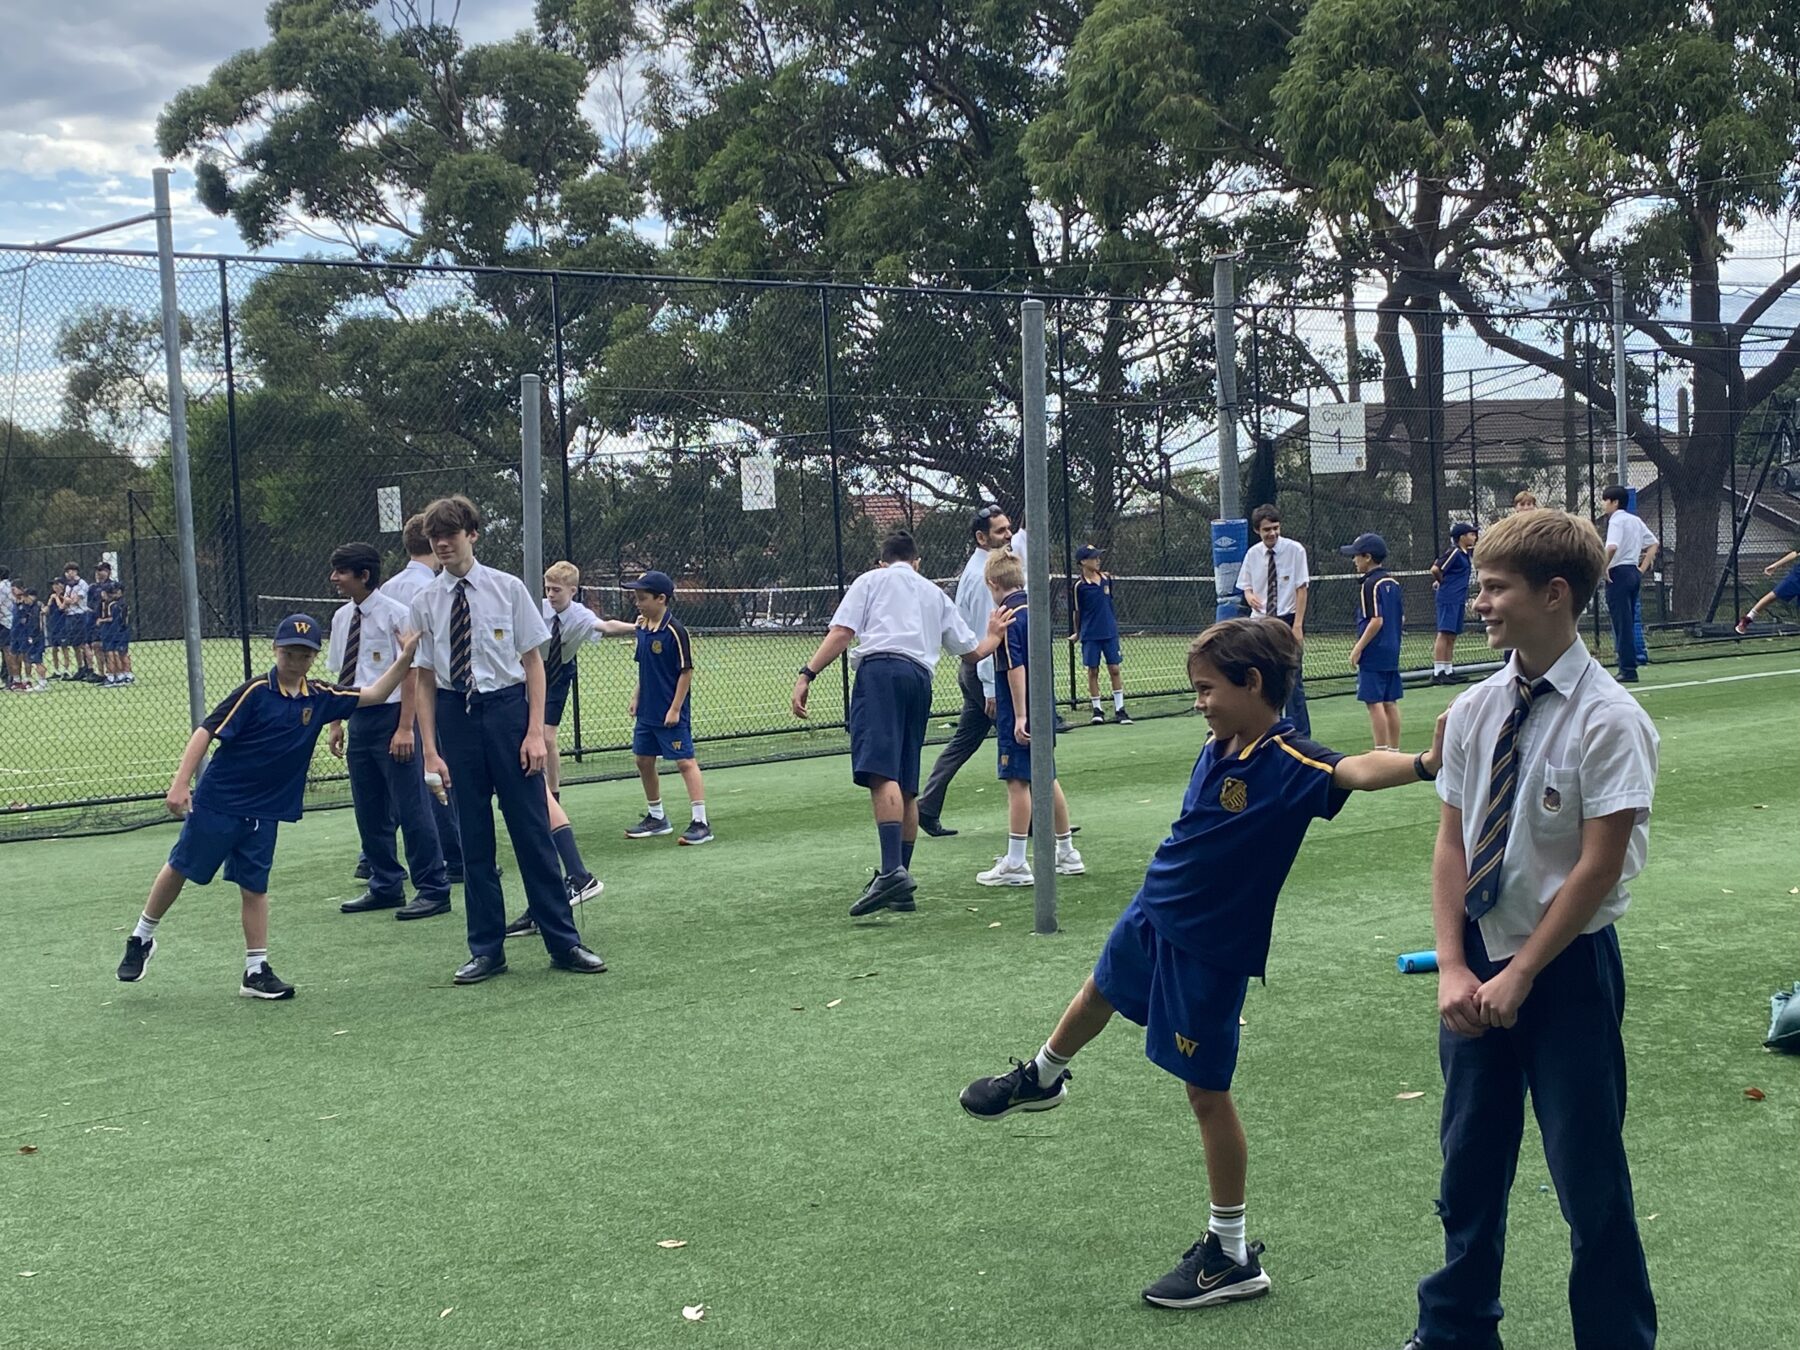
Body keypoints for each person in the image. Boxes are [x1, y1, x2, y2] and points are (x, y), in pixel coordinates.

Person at [960, 618, 1445, 1310]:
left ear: (1252, 684)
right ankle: (1042, 1075)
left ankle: (1232, 1254)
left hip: (1209, 950)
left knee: (1206, 1094)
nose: (1200, 702)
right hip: (1154, 911)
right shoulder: (1221, 742)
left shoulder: (1286, 759)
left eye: (1207, 689)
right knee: (1099, 989)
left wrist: (1425, 764)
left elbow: (1355, 770)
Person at [1401, 509, 1658, 1350]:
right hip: (1474, 963)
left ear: (1555, 595)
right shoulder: (1475, 708)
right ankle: (1456, 1330)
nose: (1480, 602)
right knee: (1468, 1166)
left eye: (1496, 588)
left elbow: (1597, 867)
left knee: (1590, 1178)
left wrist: (1522, 975)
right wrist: (1452, 965)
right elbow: (1452, 842)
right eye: (1479, 588)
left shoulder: (1610, 720)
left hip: (1566, 971)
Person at [114, 613, 423, 999]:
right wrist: (180, 785)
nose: (295, 661)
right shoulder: (256, 692)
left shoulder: (321, 696)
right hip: (221, 800)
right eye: (289, 653)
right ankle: (141, 937)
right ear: (275, 650)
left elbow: (375, 694)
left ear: (313, 657)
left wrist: (406, 656)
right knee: (182, 867)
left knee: (255, 886)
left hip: (266, 810)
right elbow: (205, 731)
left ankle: (255, 970)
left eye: (304, 654)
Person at [410, 495, 606, 984]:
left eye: (451, 534)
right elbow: (425, 680)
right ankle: (487, 949)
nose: (442, 543)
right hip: (457, 718)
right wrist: (431, 750)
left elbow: (533, 663)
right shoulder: (425, 602)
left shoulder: (508, 588)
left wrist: (535, 732)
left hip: (508, 713)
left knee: (532, 832)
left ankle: (563, 941)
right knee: (472, 840)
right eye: (436, 537)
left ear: (472, 535)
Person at [790, 529, 1013, 915]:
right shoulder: (932, 592)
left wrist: (807, 673)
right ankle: (901, 884)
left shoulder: (871, 581)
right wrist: (993, 636)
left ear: (882, 561)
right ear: (917, 562)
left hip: (880, 674)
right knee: (907, 782)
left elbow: (842, 633)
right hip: (919, 680)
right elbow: (973, 653)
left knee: (881, 772)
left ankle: (891, 871)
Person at [325, 541, 452, 921]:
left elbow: (412, 672)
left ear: (364, 575)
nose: (334, 579)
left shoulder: (398, 615)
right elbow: (341, 676)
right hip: (359, 718)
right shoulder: (341, 618)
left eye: (341, 572)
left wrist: (404, 728)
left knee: (412, 807)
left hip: (395, 717)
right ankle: (385, 884)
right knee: (369, 807)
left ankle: (433, 888)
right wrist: (336, 721)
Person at [979, 550, 1083, 886]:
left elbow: (1015, 667)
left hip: (1020, 708)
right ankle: (1067, 851)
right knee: (1046, 776)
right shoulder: (1035, 611)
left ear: (994, 583)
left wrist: (1020, 715)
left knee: (1017, 781)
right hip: (1045, 702)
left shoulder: (1008, 617)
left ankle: (1016, 862)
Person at [915, 504, 1013, 837]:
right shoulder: (984, 575)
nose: (1008, 534)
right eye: (1000, 530)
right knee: (1020, 740)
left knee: (964, 742)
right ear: (981, 537)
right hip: (986, 671)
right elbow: (986, 633)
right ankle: (1037, 816)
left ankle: (926, 809)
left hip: (975, 669)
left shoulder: (986, 567)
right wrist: (989, 687)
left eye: (1008, 528)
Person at [379, 513, 464, 883]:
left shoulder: (389, 587)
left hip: (390, 692)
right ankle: (455, 855)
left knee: (406, 779)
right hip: (429, 690)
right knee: (438, 773)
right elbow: (424, 657)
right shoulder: (430, 587)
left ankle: (376, 856)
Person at [619, 571, 713, 846]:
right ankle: (657, 817)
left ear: (661, 599)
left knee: (684, 761)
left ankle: (701, 822)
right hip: (647, 712)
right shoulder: (643, 628)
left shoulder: (675, 631)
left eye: (642, 598)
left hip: (670, 712)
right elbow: (644, 667)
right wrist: (637, 696)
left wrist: (674, 709)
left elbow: (686, 672)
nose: (638, 603)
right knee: (643, 760)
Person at [1237, 504, 1311, 734]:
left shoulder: (1295, 550)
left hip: (1286, 619)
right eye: (1267, 529)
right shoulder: (1253, 554)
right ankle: (1268, 728)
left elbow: (1301, 588)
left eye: (1276, 528)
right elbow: (1246, 586)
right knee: (1262, 678)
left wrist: (1297, 625)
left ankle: (1300, 734)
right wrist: (1250, 596)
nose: (1272, 533)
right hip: (1260, 622)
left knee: (1293, 678)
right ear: (1258, 530)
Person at [1344, 531, 1404, 750]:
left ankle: (1380, 750)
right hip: (1392, 649)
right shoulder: (1393, 583)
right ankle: (1394, 750)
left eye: (1356, 556)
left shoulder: (1370, 584)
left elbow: (1376, 620)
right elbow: (1400, 617)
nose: (1354, 561)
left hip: (1374, 652)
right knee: (1390, 701)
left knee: (1374, 702)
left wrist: (1358, 648)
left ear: (1367, 557)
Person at [1599, 485, 1657, 683]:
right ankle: (1629, 665)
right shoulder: (1635, 520)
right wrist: (1642, 568)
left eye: (1605, 500)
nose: (1603, 504)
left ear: (1614, 503)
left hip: (1619, 573)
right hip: (1632, 572)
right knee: (1629, 622)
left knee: (1621, 623)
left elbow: (1612, 546)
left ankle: (1627, 669)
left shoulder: (1616, 520)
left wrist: (1603, 567)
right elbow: (1653, 543)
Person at [1068, 545, 1130, 725]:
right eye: (1093, 558)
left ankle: (1120, 709)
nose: (1097, 560)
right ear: (1083, 562)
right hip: (1090, 634)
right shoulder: (1079, 586)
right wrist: (1077, 633)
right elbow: (1077, 612)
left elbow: (1109, 604)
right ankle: (1097, 710)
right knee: (1093, 670)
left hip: (1109, 632)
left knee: (1115, 669)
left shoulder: (1107, 579)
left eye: (1098, 557)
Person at [1430, 523, 1479, 684]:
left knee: (1452, 635)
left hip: (1458, 598)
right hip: (1448, 597)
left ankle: (1448, 670)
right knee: (1444, 633)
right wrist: (1442, 583)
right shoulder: (1455, 553)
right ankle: (1438, 672)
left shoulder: (1465, 555)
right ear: (1462, 537)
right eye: (1471, 534)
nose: (1474, 537)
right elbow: (1436, 569)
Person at [1736, 541, 1800, 633]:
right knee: (1773, 596)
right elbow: (1795, 553)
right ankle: (1747, 619)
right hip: (1797, 576)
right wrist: (1775, 566)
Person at [99, 583, 132, 685]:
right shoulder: (120, 603)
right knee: (119, 653)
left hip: (115, 632)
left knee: (115, 653)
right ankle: (122, 675)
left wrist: (101, 620)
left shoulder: (113, 605)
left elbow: (112, 618)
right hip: (120, 631)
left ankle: (118, 675)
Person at [17, 587, 46, 691]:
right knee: (36, 660)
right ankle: (42, 681)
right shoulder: (29, 607)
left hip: (36, 636)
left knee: (37, 660)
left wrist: (31, 636)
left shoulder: (36, 607)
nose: (24, 599)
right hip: (34, 636)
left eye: (25, 597)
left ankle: (42, 683)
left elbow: (35, 624)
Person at [46, 577, 71, 679]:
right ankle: (56, 670)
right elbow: (47, 609)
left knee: (64, 648)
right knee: (54, 648)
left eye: (57, 584)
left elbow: (62, 607)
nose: (54, 586)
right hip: (53, 625)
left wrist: (56, 597)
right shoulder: (50, 597)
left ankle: (66, 670)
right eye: (53, 584)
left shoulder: (64, 596)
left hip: (63, 625)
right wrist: (50, 600)